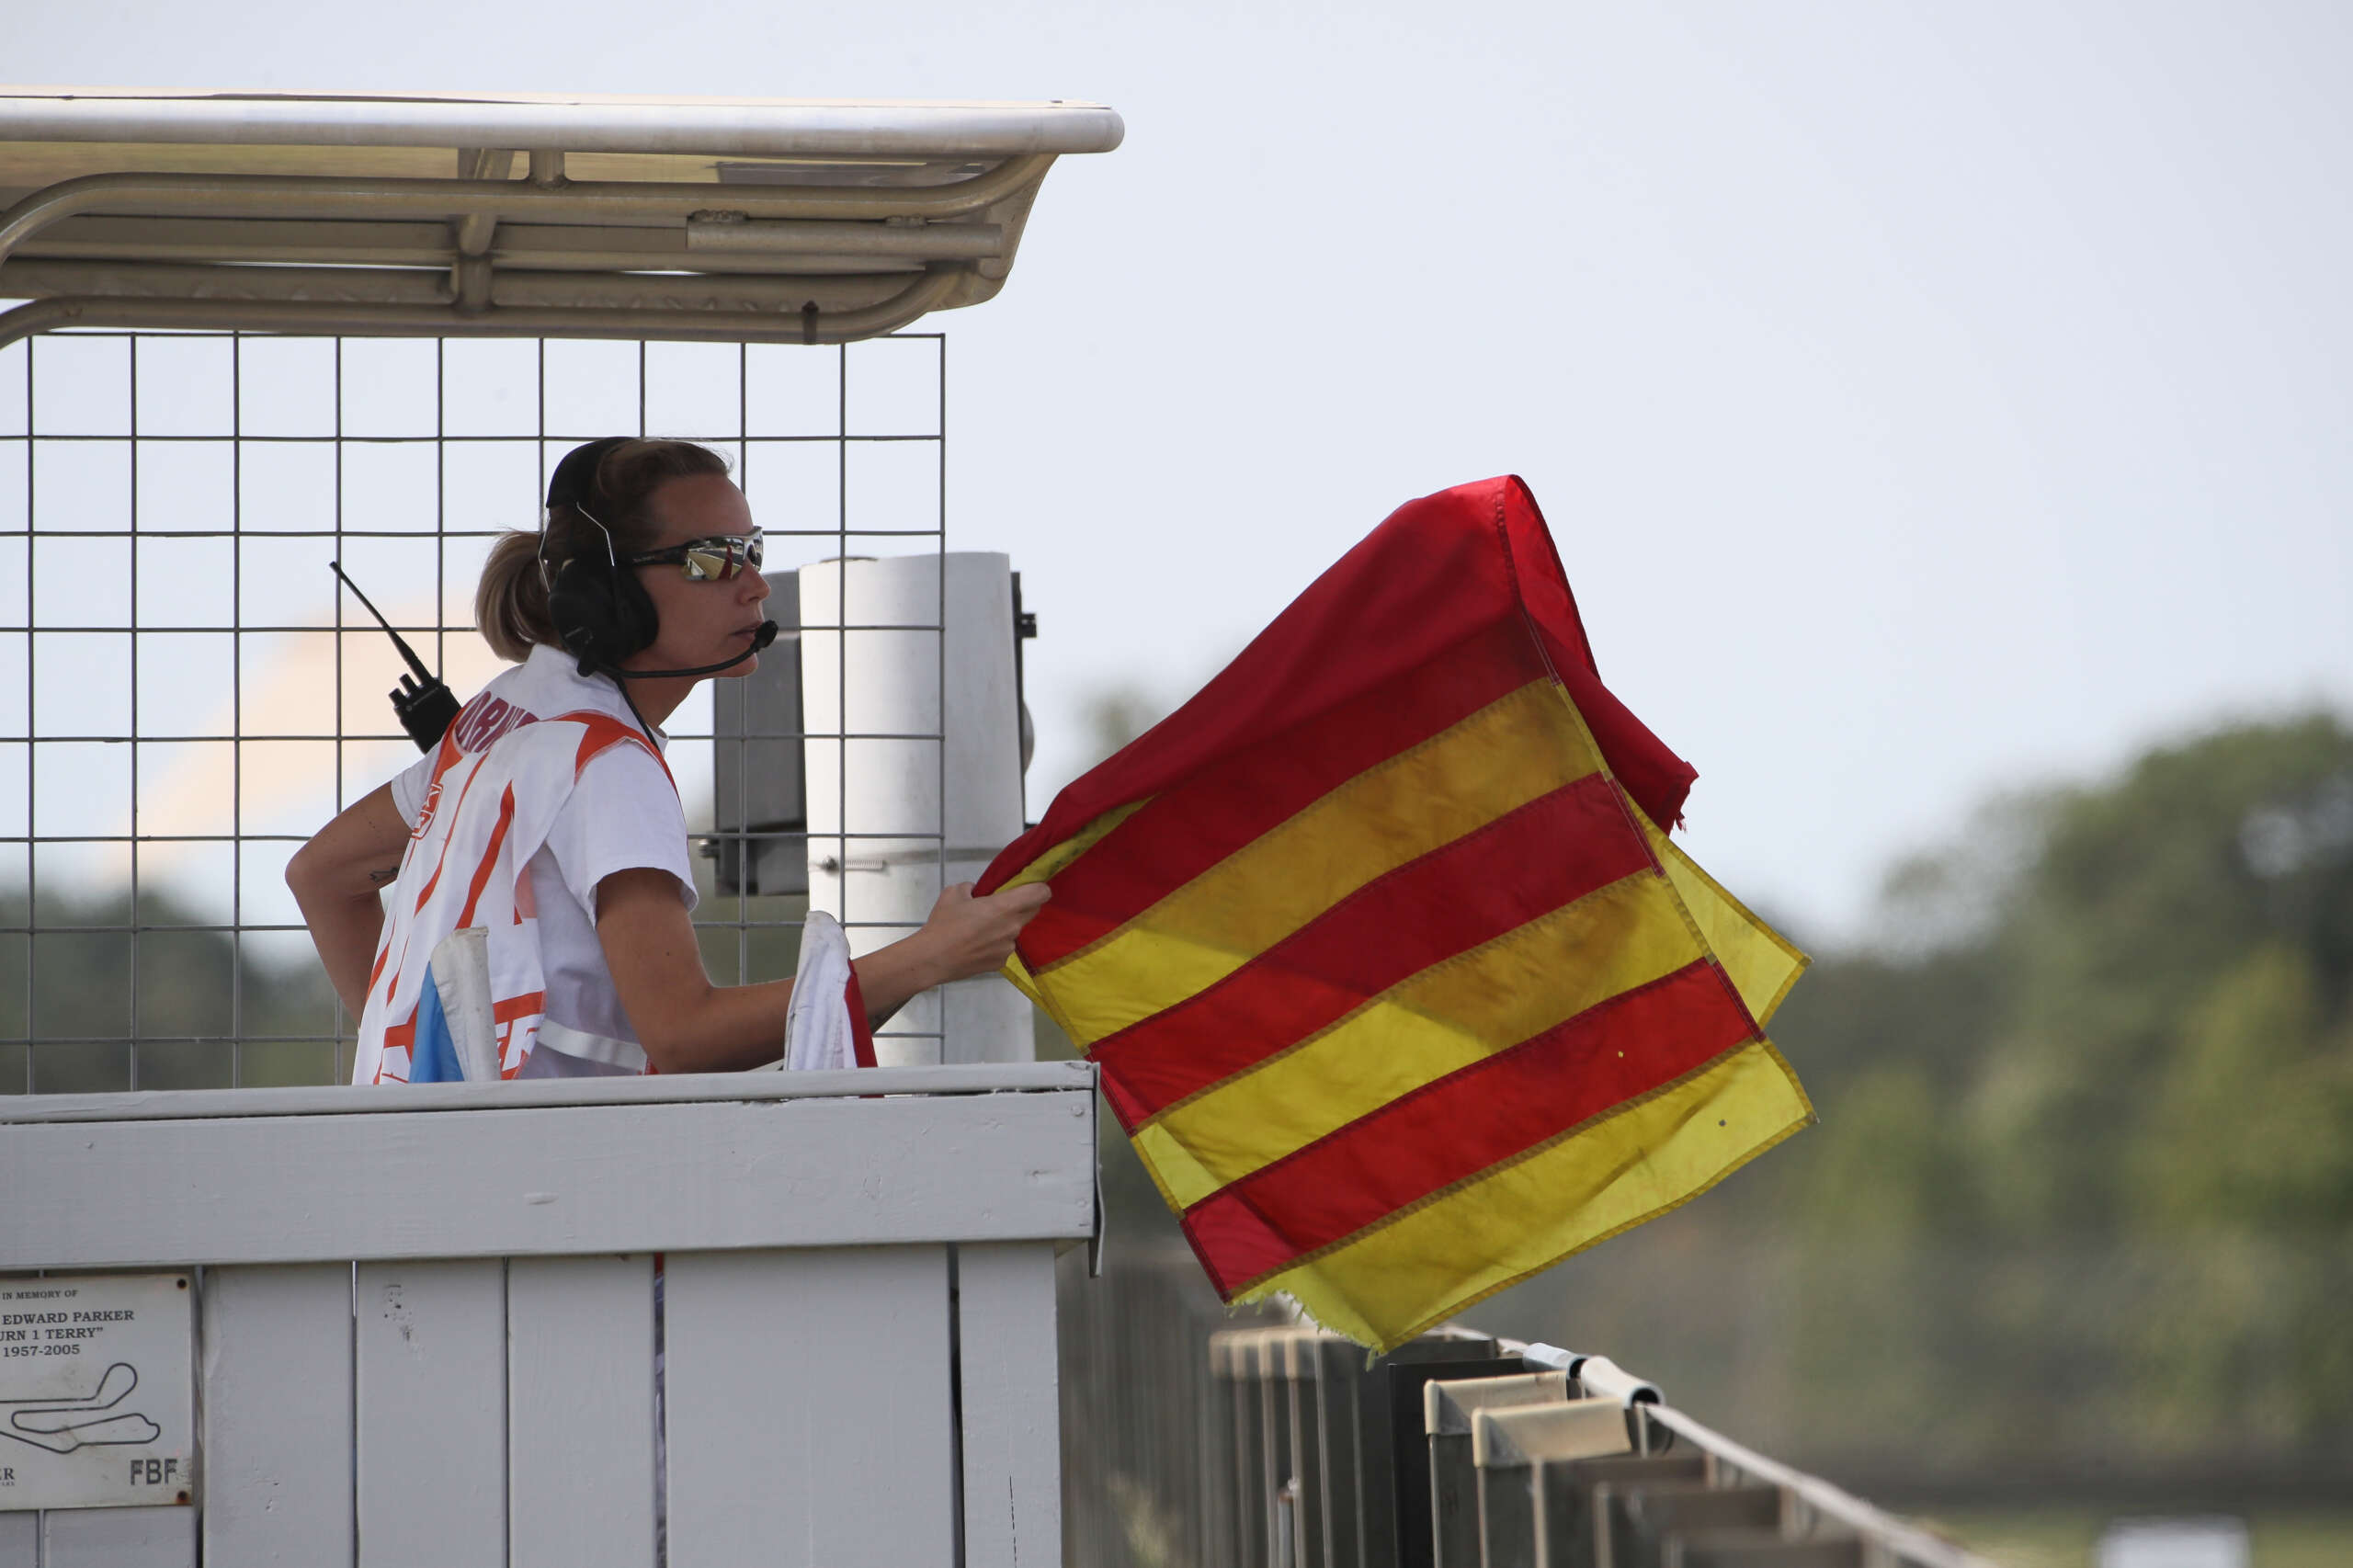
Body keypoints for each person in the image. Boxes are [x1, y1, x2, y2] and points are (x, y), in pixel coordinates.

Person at [287, 437, 1049, 1083]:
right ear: (608, 597)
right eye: (711, 560)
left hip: (474, 1184)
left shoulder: (501, 717)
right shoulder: (605, 761)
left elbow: (320, 876)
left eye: (752, 550)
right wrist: (931, 956)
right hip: (550, 1204)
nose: (754, 585)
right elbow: (685, 1037)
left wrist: (412, 1069)